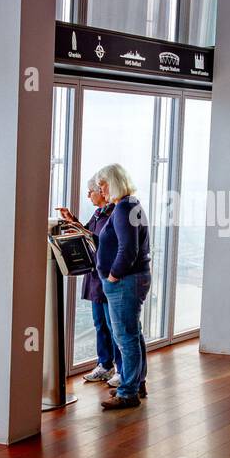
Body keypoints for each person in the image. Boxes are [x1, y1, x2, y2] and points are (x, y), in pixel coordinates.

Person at [93, 163, 151, 411]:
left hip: (126, 282)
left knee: (125, 337)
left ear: (113, 182)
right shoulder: (129, 205)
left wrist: (113, 275)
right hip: (134, 279)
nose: (101, 189)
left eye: (103, 184)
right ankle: (136, 383)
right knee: (133, 334)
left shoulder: (123, 208)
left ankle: (128, 392)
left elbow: (128, 249)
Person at [57, 179, 120, 384]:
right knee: (100, 323)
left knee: (113, 326)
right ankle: (105, 364)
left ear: (102, 192)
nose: (88, 196)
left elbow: (105, 241)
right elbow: (89, 234)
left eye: (91, 191)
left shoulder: (114, 214)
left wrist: (81, 230)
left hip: (108, 275)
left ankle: (121, 369)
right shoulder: (98, 213)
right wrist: (73, 221)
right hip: (95, 275)